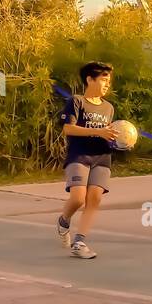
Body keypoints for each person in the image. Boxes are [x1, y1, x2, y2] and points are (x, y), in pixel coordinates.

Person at [57, 61, 118, 260]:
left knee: (95, 198)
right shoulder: (76, 101)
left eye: (109, 80)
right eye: (104, 79)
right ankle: (64, 220)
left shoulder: (109, 107)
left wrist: (121, 141)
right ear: (89, 79)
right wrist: (98, 131)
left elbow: (108, 133)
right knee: (77, 198)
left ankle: (79, 241)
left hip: (102, 157)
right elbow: (68, 129)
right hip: (79, 155)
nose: (107, 84)